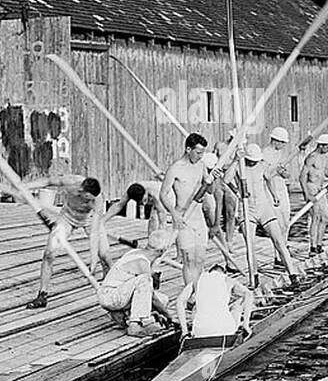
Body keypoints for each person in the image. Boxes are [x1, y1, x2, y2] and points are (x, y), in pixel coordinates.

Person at [24, 174, 120, 309]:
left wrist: (93, 260)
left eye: (93, 200)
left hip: (90, 220)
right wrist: (26, 186)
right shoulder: (71, 182)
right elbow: (48, 181)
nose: (90, 202)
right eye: (88, 199)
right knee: (49, 253)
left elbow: (94, 233)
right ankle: (42, 295)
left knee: (105, 255)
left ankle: (114, 289)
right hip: (67, 217)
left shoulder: (97, 200)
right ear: (82, 191)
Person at [241, 142, 302, 285]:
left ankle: (293, 275)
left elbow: (268, 178)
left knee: (279, 241)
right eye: (251, 161)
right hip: (247, 209)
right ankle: (254, 277)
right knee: (250, 245)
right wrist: (235, 160)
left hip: (263, 207)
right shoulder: (240, 167)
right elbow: (226, 179)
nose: (253, 163)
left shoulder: (262, 165)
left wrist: (274, 195)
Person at [98, 229, 175, 337]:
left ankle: (124, 316)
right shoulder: (142, 263)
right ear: (163, 250)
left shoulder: (136, 252)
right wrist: (168, 315)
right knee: (145, 281)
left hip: (115, 293)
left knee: (163, 299)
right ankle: (134, 325)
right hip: (110, 295)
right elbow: (151, 296)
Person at [160, 133, 212, 289]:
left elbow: (208, 188)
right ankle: (191, 294)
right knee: (189, 258)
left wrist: (213, 180)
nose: (200, 156)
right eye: (197, 152)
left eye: (203, 152)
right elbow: (163, 194)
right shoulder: (175, 168)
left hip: (198, 215)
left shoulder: (201, 165)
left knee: (200, 258)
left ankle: (198, 291)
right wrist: (174, 214)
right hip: (182, 217)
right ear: (188, 149)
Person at [176, 262, 254, 344]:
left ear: (209, 272)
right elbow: (249, 294)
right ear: (224, 273)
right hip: (225, 330)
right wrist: (246, 324)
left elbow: (179, 301)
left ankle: (194, 331)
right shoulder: (228, 280)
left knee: (195, 309)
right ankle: (244, 326)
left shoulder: (197, 280)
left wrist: (184, 332)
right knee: (236, 306)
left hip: (200, 332)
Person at [300, 134, 328, 256]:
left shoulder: (324, 157)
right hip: (311, 188)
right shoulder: (312, 157)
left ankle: (319, 244)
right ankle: (312, 247)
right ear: (321, 145)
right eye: (327, 147)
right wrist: (307, 195)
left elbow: (327, 172)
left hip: (321, 189)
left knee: (325, 218)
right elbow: (302, 177)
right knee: (316, 217)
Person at [259, 125, 292, 214]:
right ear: (276, 141)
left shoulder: (281, 153)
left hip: (281, 186)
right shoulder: (265, 154)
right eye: (283, 142)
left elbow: (287, 175)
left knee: (286, 214)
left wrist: (283, 172)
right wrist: (274, 195)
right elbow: (266, 176)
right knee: (275, 217)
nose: (284, 145)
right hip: (270, 189)